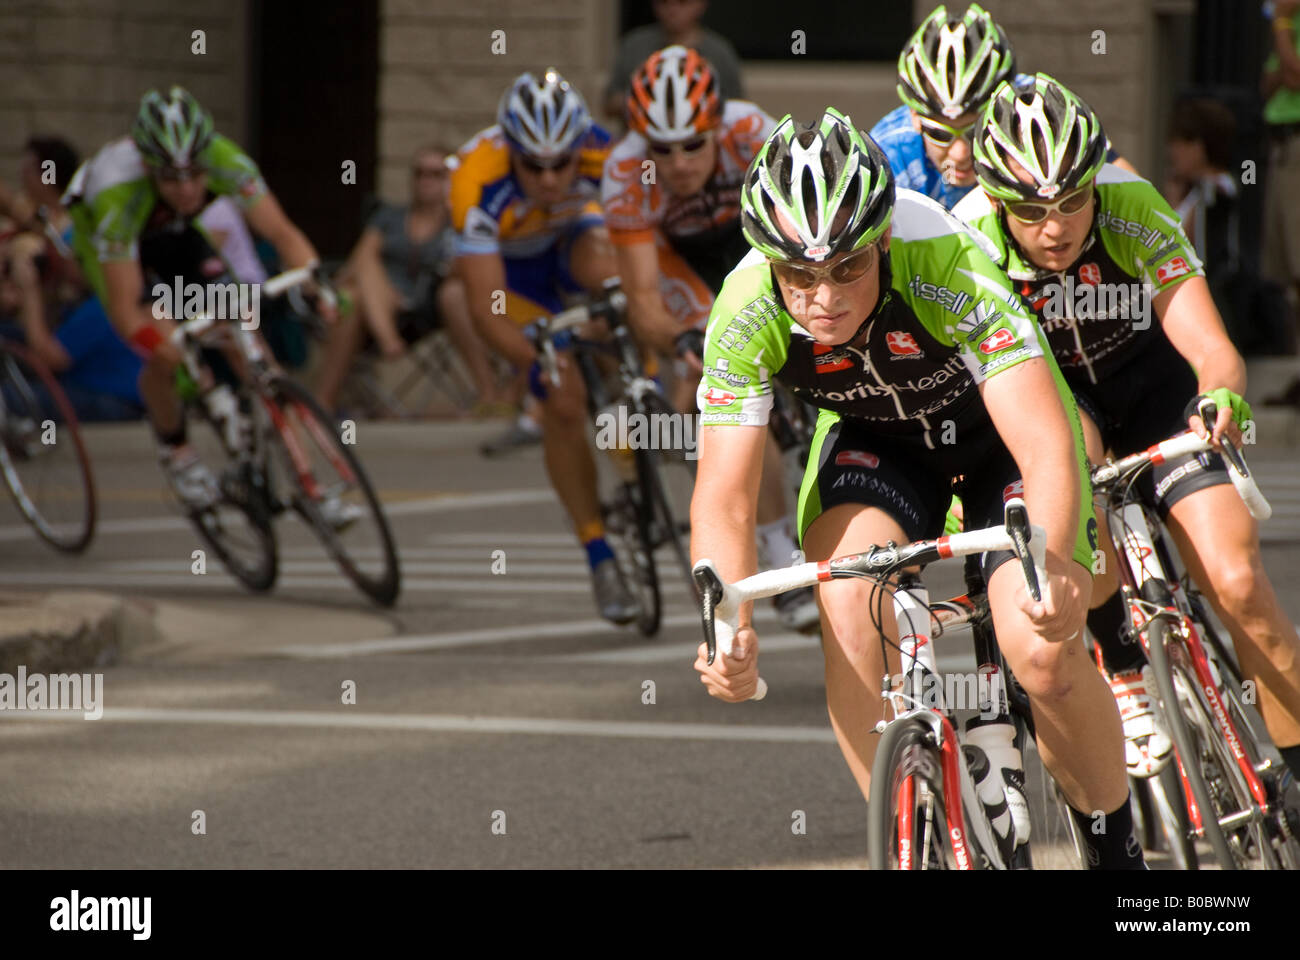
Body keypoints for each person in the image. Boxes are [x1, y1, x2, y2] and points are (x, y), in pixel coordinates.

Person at [693, 107, 1148, 868]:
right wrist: (724, 625)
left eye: (847, 269)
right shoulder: (744, 308)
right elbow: (726, 497)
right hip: (880, 446)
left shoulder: (943, 258)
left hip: (995, 437)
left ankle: (1117, 856)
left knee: (1039, 651)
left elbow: (1041, 438)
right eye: (799, 276)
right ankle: (908, 839)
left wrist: (1062, 563)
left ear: (884, 243)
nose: (822, 297)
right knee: (844, 602)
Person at [954, 73, 1300, 784]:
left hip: (1155, 392)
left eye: (1072, 201)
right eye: (1031, 210)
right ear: (994, 199)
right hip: (1060, 403)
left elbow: (1211, 348)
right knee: (1072, 464)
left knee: (1238, 583)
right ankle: (1122, 661)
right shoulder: (970, 245)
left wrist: (1221, 398)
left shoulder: (1132, 205)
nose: (1056, 227)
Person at [601, 45, 817, 631]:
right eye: (661, 149)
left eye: (693, 144)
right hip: (678, 261)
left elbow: (806, 223)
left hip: (756, 236)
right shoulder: (625, 171)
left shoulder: (753, 133)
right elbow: (644, 297)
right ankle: (779, 554)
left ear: (717, 127)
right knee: (718, 366)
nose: (677, 161)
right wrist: (683, 345)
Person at [63, 86, 342, 514]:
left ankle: (310, 485)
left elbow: (282, 234)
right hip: (112, 243)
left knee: (247, 342)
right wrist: (164, 344)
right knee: (165, 351)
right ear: (148, 167)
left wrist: (318, 287)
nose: (187, 187)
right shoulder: (116, 191)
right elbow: (125, 308)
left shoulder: (225, 158)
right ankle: (178, 452)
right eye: (171, 178)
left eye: (195, 174)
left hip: (175, 234)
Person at [451, 69, 641, 625]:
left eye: (562, 162)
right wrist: (540, 362)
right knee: (562, 399)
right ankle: (598, 552)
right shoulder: (474, 181)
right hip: (514, 281)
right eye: (535, 166)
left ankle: (635, 396)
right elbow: (487, 310)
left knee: (608, 269)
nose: (552, 177)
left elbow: (641, 241)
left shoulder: (602, 154)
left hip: (570, 246)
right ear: (511, 152)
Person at [871, 4, 1135, 213]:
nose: (961, 153)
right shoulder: (889, 150)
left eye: (975, 131)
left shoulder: (1037, 108)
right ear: (914, 116)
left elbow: (1128, 187)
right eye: (941, 134)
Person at [313, 145, 506, 415]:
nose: (425, 180)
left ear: (451, 179)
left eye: (436, 174)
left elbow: (473, 269)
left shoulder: (460, 221)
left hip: (428, 307)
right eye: (419, 173)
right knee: (358, 281)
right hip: (378, 303)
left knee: (454, 292)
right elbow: (356, 263)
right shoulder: (388, 217)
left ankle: (490, 394)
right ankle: (324, 402)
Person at [0, 136, 143, 421]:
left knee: (11, 397)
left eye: (69, 260)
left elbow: (47, 359)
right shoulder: (91, 290)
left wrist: (30, 292)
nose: (62, 266)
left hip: (113, 400)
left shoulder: (106, 299)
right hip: (88, 380)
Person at [602, 0, 744, 124]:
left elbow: (736, 109)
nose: (672, 9)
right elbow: (609, 105)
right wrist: (641, 95)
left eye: (682, 2)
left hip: (700, 145)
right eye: (663, 1)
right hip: (640, 144)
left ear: (701, 4)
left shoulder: (719, 52)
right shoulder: (634, 45)